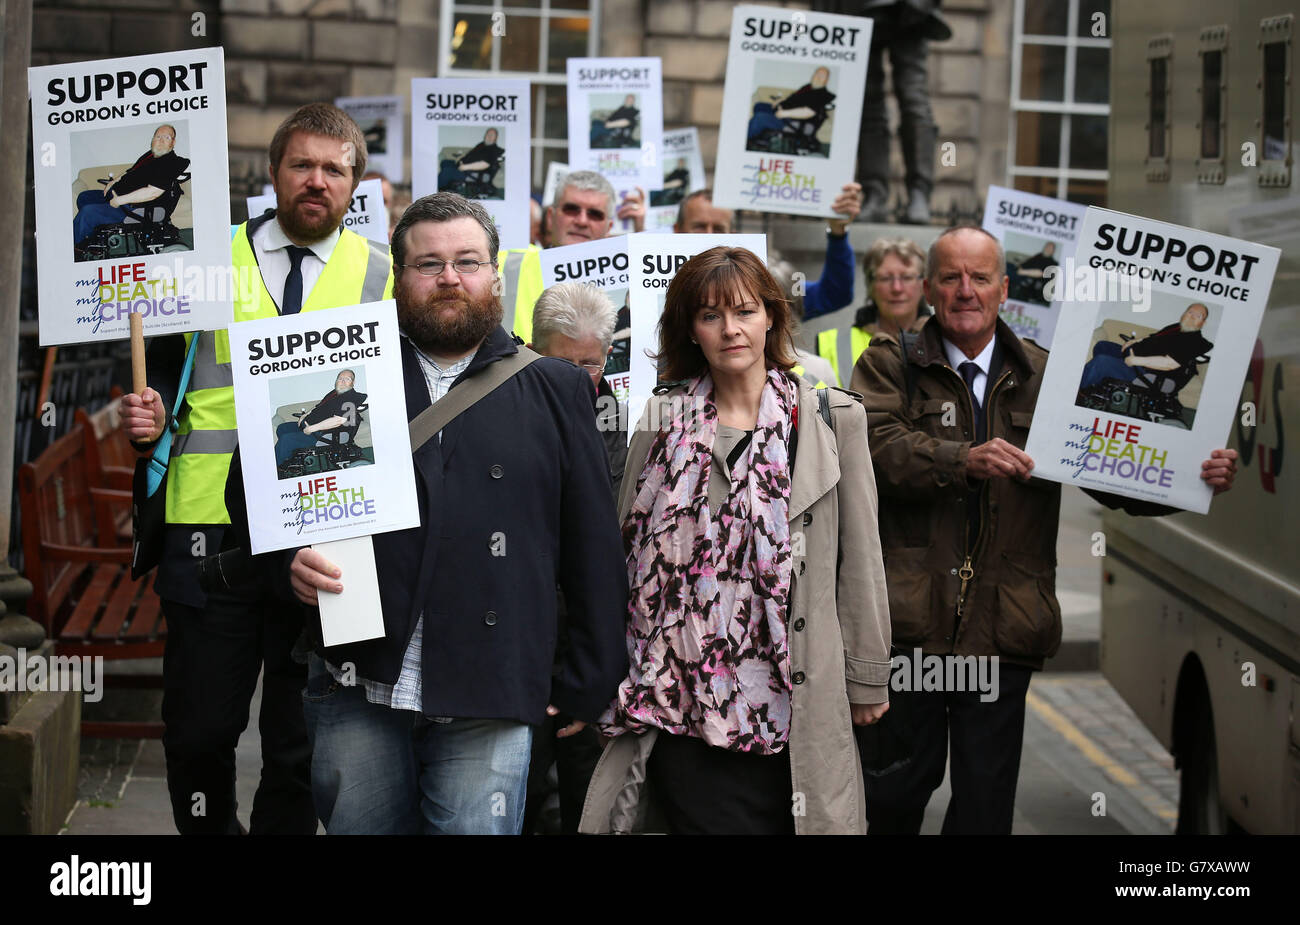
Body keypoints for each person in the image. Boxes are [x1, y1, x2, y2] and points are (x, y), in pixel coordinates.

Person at [849, 226, 1240, 834]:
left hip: (1004, 631)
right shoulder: (889, 361)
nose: (965, 290)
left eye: (980, 277)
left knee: (985, 812)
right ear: (928, 288)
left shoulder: (1050, 376)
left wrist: (1194, 476)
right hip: (910, 633)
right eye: (950, 277)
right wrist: (961, 459)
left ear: (1004, 288)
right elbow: (871, 449)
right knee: (891, 799)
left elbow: (1115, 477)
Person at [287, 193, 629, 835]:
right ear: (399, 276)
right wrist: (288, 561)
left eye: (467, 262)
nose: (450, 278)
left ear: (495, 274)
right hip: (358, 674)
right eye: (429, 264)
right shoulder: (336, 369)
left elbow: (592, 543)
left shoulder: (555, 387)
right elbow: (255, 499)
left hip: (492, 683)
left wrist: (592, 674)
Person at [118, 102, 394, 835]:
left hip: (328, 533)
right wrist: (143, 415)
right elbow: (164, 376)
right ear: (273, 173)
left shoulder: (383, 274)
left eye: (334, 170)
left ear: (354, 184)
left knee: (303, 744)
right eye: (302, 164)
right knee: (201, 732)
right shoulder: (206, 259)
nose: (316, 181)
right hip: (210, 530)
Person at [580, 246, 892, 835]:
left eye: (745, 311)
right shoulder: (660, 417)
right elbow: (623, 553)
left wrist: (868, 674)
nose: (730, 330)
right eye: (710, 316)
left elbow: (862, 560)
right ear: (690, 329)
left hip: (792, 695)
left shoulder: (829, 419)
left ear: (771, 317)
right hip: (680, 695)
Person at [521, 281, 625, 833]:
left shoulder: (627, 424)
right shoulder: (505, 411)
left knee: (586, 807)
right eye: (564, 363)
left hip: (589, 652)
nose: (580, 378)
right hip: (520, 647)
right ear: (533, 352)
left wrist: (595, 673)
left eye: (591, 364)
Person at [817, 0, 951, 223]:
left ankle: (919, 193)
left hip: (908, 8)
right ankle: (875, 194)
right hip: (856, 9)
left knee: (913, 98)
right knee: (867, 100)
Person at [675, 184, 863, 321]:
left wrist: (838, 234)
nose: (709, 236)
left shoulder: (764, 278)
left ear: (732, 233)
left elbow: (833, 294)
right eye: (699, 227)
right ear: (677, 230)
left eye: (718, 228)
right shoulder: (647, 278)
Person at [497, 170, 644, 343]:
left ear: (608, 227)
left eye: (594, 214)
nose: (582, 221)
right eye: (571, 209)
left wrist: (642, 236)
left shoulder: (633, 277)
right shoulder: (508, 260)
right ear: (551, 217)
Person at [815, 236, 931, 386]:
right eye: (885, 278)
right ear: (871, 286)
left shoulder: (945, 340)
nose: (897, 288)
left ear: (924, 285)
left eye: (907, 277)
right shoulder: (832, 344)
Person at [73, 124, 190, 245]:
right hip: (118, 195)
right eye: (158, 136)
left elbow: (153, 192)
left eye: (166, 137)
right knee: (84, 197)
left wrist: (119, 201)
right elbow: (131, 171)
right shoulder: (150, 155)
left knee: (88, 212)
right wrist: (114, 181)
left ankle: (77, 248)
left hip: (132, 207)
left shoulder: (172, 162)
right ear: (152, 140)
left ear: (173, 142)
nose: (160, 140)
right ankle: (90, 234)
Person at [1079, 303, 1213, 391]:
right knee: (1102, 346)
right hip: (1137, 360)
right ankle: (1096, 382)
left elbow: (1170, 363)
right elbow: (1154, 337)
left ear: (1203, 322)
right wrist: (1134, 341)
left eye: (1198, 315)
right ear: (1184, 314)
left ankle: (1077, 390)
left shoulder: (1196, 341)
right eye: (1190, 312)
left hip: (1148, 374)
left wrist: (1135, 360)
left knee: (1102, 362)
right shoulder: (1176, 328)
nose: (1192, 316)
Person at [273, 369, 368, 466]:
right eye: (340, 379)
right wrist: (305, 415)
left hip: (322, 434)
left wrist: (311, 428)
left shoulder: (351, 397)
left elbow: (338, 420)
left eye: (347, 379)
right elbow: (318, 406)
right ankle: (289, 457)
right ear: (336, 381)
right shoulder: (334, 393)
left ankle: (276, 467)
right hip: (310, 426)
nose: (342, 381)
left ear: (353, 382)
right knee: (282, 428)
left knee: (286, 439)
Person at [437, 128, 505, 197]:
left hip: (471, 173)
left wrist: (464, 167)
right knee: (445, 162)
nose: (489, 136)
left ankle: (436, 193)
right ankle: (446, 187)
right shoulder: (481, 145)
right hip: (463, 167)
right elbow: (470, 156)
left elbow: (485, 164)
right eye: (488, 134)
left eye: (492, 135)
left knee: (447, 171)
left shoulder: (495, 150)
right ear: (485, 136)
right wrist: (461, 159)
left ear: (496, 138)